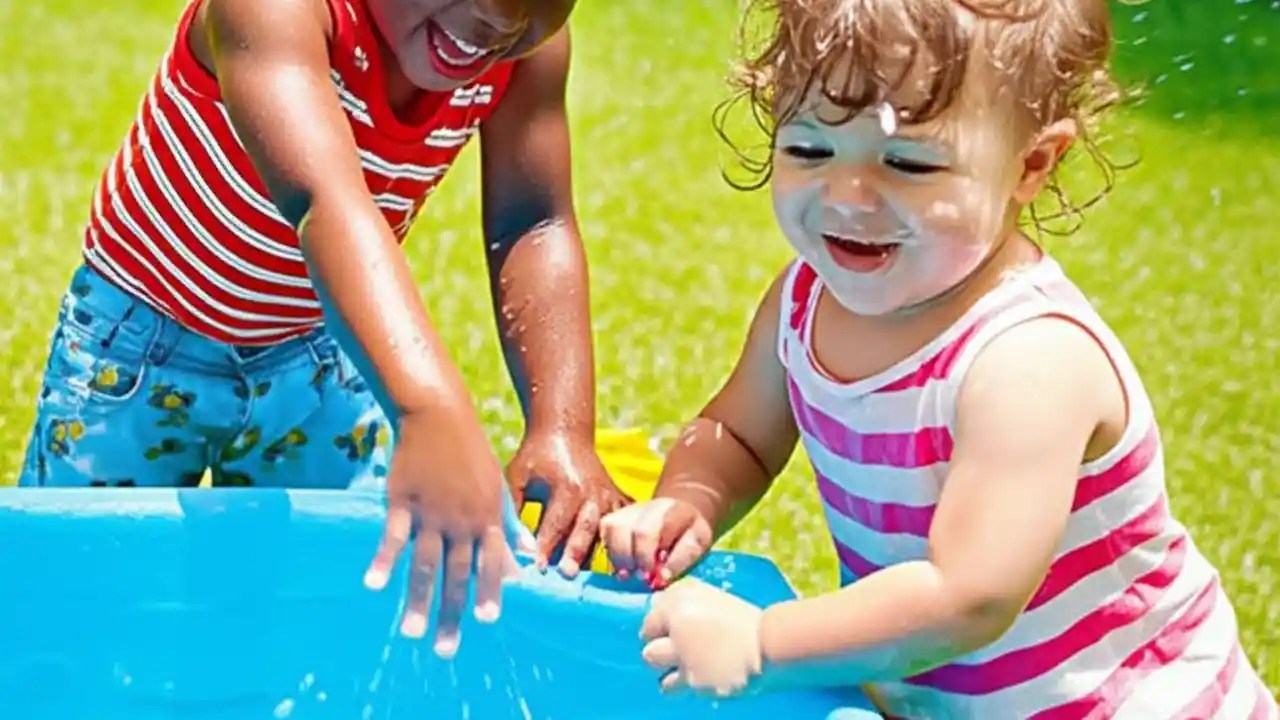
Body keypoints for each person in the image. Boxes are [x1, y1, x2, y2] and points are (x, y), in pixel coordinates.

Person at [600, 0, 1279, 716]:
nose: (850, 195)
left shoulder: (1027, 361)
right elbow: (738, 435)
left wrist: (764, 639)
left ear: (1032, 164)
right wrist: (688, 501)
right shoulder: (805, 300)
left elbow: (967, 593)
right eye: (808, 150)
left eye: (909, 162)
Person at [19, 0, 629, 657]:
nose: (499, 18)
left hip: (315, 353)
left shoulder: (523, 53)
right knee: (71, 600)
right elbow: (325, 201)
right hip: (141, 348)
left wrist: (561, 430)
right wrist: (431, 410)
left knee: (339, 605)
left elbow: (531, 220)